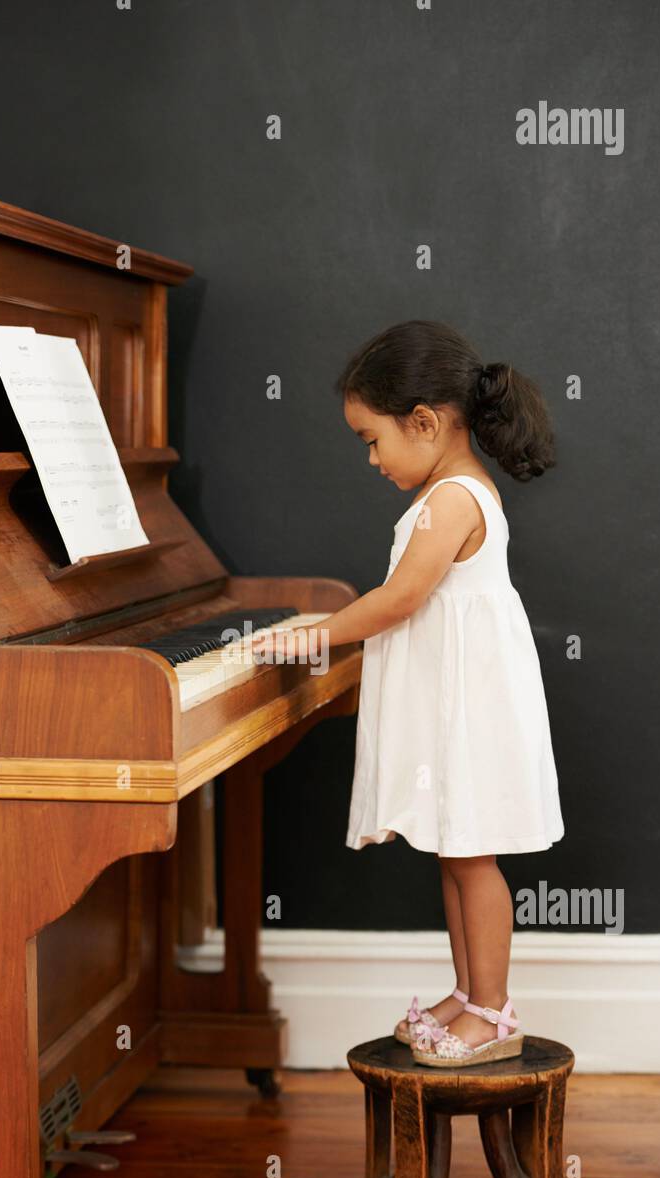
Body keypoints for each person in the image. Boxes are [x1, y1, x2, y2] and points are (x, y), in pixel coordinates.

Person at [249, 320, 564, 1068]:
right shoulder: (448, 490)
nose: (369, 457)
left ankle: (491, 1011)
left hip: (473, 708)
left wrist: (312, 635)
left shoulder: (453, 499)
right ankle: (467, 991)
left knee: (474, 860)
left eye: (371, 438)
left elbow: (397, 600)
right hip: (456, 699)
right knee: (456, 854)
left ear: (422, 422)